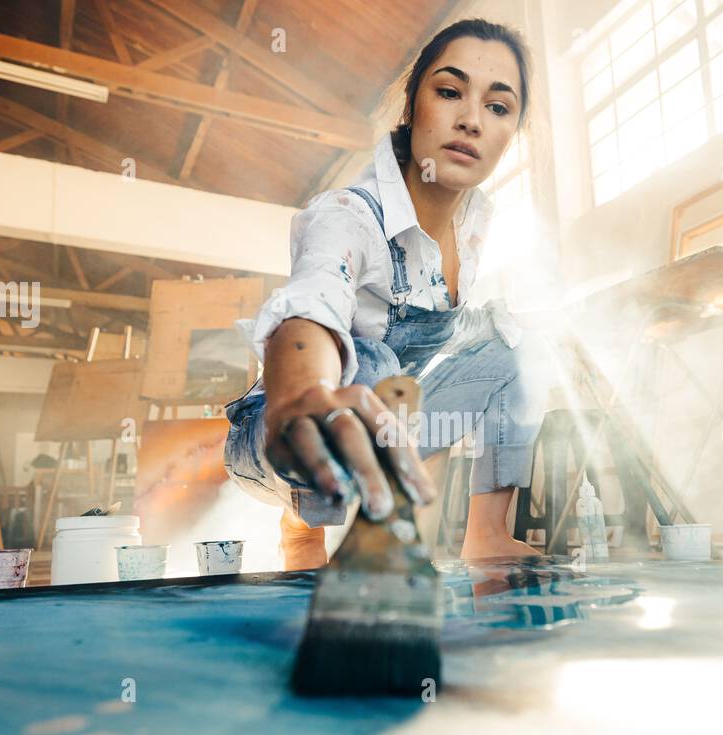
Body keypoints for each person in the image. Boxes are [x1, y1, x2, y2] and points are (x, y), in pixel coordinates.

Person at [223, 18, 551, 570]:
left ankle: (488, 535)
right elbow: (313, 300)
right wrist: (303, 392)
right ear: (411, 107)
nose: (471, 120)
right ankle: (302, 522)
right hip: (285, 437)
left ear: (511, 132)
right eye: (449, 92)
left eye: (498, 107)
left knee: (523, 342)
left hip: (390, 420)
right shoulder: (348, 215)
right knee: (371, 361)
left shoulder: (475, 222)